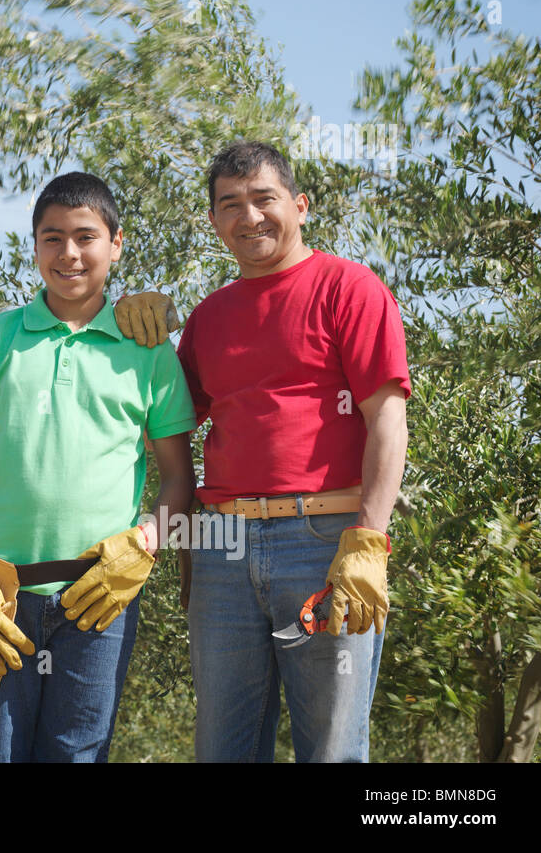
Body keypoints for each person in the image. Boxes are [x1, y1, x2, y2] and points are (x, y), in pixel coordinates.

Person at [120, 140, 410, 762]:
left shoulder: (350, 289)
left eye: (264, 199)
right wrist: (134, 337)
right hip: (222, 547)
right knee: (223, 749)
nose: (249, 217)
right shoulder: (209, 317)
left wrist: (369, 540)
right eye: (231, 204)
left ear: (300, 206)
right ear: (214, 221)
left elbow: (388, 422)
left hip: (325, 540)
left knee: (332, 748)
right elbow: (161, 422)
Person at [0, 171, 196, 763]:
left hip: (99, 596)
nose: (69, 253)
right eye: (52, 238)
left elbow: (181, 479)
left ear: (117, 243)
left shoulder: (149, 352)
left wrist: (147, 544)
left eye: (86, 237)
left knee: (77, 756)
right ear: (33, 247)